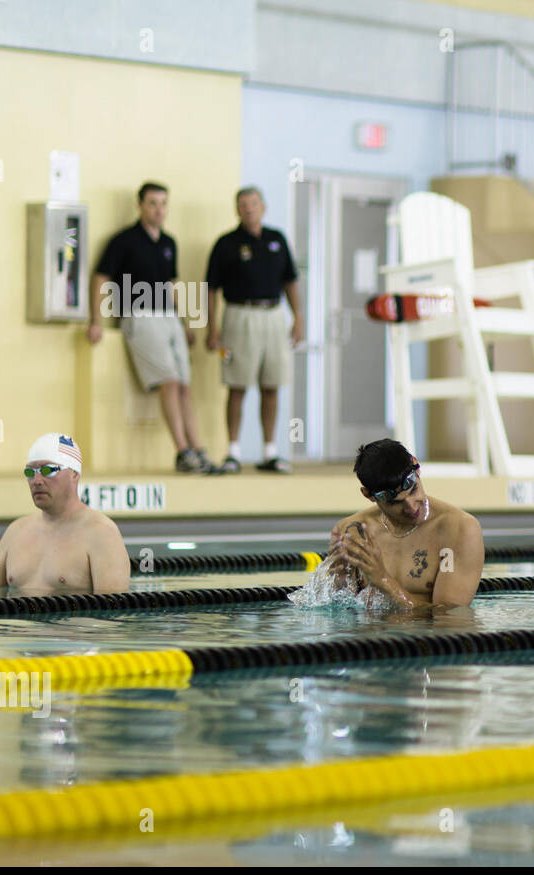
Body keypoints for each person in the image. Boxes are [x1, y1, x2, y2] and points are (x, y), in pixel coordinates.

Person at [88, 182, 218, 474]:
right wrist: (95, 320)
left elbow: (171, 284)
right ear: (140, 205)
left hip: (168, 318)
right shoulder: (123, 240)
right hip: (140, 315)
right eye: (152, 203)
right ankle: (183, 452)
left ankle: (199, 450)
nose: (158, 210)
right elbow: (100, 277)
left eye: (163, 204)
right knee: (169, 381)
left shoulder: (169, 243)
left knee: (184, 385)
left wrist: (184, 321)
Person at [204, 186, 305, 474]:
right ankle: (233, 450)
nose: (249, 208)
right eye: (243, 204)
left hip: (273, 315)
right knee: (237, 384)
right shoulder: (226, 244)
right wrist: (212, 328)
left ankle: (270, 451)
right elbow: (210, 289)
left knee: (271, 384)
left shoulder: (277, 239)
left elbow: (290, 281)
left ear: (263, 206)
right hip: (238, 316)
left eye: (253, 203)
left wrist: (298, 317)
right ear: (237, 209)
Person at [329, 439, 484, 609]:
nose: (411, 506)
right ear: (368, 495)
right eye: (396, 503)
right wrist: (340, 582)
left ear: (417, 466)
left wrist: (383, 580)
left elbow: (448, 618)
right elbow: (342, 611)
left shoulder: (459, 530)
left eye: (413, 490)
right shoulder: (352, 532)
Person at [0, 434, 130, 595]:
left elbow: (112, 613)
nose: (37, 480)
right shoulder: (15, 531)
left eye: (48, 470)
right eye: (30, 472)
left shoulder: (102, 533)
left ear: (74, 473)